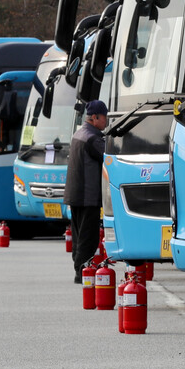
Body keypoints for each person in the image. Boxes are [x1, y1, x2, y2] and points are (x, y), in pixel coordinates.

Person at [65, 100, 106, 284]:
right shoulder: (93, 138)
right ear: (95, 117)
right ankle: (83, 272)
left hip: (75, 194)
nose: (106, 121)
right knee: (88, 238)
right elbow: (108, 158)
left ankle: (79, 269)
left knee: (78, 234)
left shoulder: (78, 134)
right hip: (88, 195)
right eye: (105, 117)